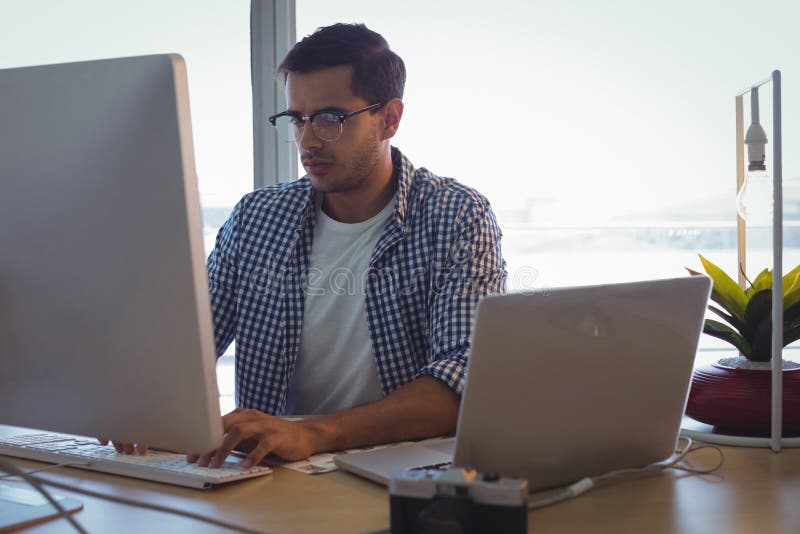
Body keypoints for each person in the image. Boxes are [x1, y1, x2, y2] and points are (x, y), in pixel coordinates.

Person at [110, 23, 506, 468]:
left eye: (330, 118)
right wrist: (141, 404)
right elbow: (190, 348)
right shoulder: (257, 218)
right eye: (297, 118)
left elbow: (462, 382)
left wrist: (313, 433)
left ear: (390, 118)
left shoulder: (455, 216)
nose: (308, 139)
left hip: (398, 472)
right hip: (266, 472)